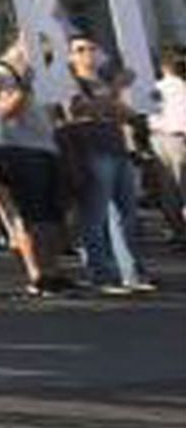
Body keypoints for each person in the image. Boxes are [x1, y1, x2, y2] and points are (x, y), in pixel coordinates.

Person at [60, 34, 154, 294]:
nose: (87, 53)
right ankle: (101, 274)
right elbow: (77, 110)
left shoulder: (101, 81)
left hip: (116, 149)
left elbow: (125, 114)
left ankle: (131, 271)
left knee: (126, 215)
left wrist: (125, 99)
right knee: (95, 216)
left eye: (91, 48)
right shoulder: (69, 81)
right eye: (80, 49)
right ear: (70, 57)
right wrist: (114, 92)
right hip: (91, 152)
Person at [0, 34, 68, 296]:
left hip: (47, 147)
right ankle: (37, 274)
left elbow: (53, 114)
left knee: (53, 215)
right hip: (19, 148)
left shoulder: (42, 71)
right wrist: (26, 85)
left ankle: (53, 271)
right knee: (32, 215)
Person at [151, 52, 186, 250]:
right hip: (179, 139)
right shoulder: (182, 87)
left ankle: (178, 232)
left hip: (159, 139)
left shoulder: (155, 88)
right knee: (182, 188)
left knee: (169, 189)